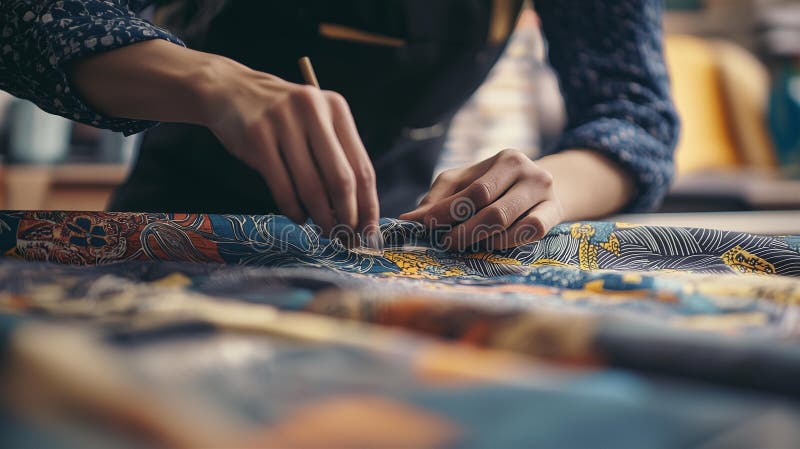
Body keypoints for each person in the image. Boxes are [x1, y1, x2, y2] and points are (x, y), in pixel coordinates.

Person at [0, 0, 679, 251]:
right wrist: (212, 82)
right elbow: (27, 20)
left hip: (406, 246)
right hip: (181, 236)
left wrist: (545, 188)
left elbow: (634, 119)